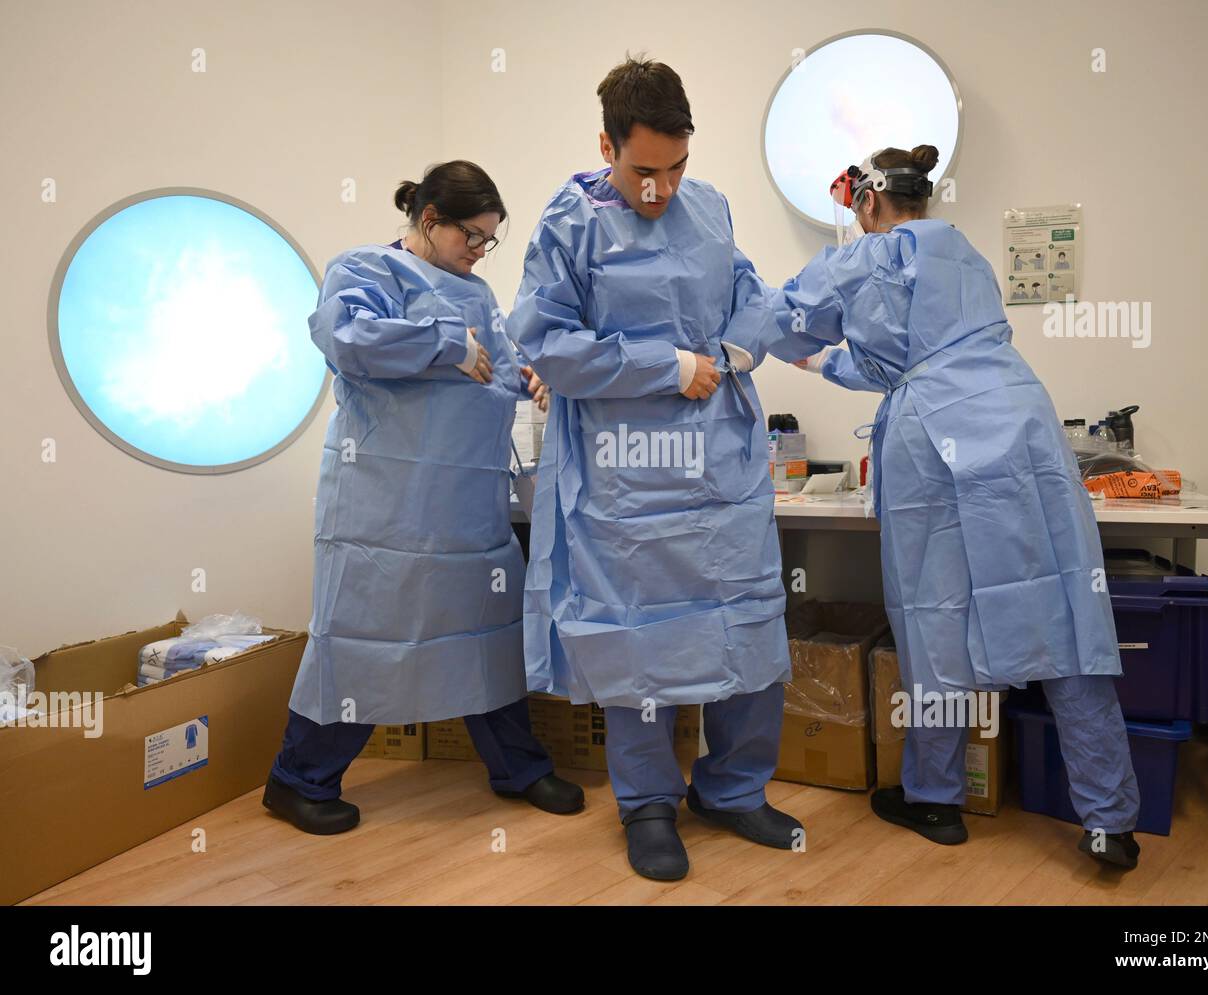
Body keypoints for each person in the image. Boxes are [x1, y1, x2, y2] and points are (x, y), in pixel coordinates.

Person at [768, 146, 1142, 870]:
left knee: (932, 618)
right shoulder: (964, 254)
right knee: (1066, 609)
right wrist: (834, 360)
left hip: (932, 437)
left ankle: (937, 799)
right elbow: (902, 354)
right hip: (1021, 420)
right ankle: (1109, 820)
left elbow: (787, 321)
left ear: (867, 201)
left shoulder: (872, 254)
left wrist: (781, 339)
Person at [506, 57, 801, 881]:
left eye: (676, 167)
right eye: (644, 170)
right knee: (640, 642)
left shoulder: (707, 207)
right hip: (625, 480)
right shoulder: (569, 224)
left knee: (746, 625)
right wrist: (665, 366)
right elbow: (549, 346)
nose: (661, 189)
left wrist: (744, 339)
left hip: (723, 469)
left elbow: (747, 287)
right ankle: (647, 804)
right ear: (606, 144)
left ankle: (736, 790)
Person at [263, 161, 583, 835]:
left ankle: (518, 767)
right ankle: (299, 780)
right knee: (363, 641)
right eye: (472, 234)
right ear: (429, 219)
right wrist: (445, 344)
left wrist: (536, 380)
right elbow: (345, 340)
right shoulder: (366, 270)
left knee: (487, 636)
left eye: (490, 239)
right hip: (385, 507)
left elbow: (500, 365)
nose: (479, 249)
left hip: (468, 508)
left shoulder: (479, 293)